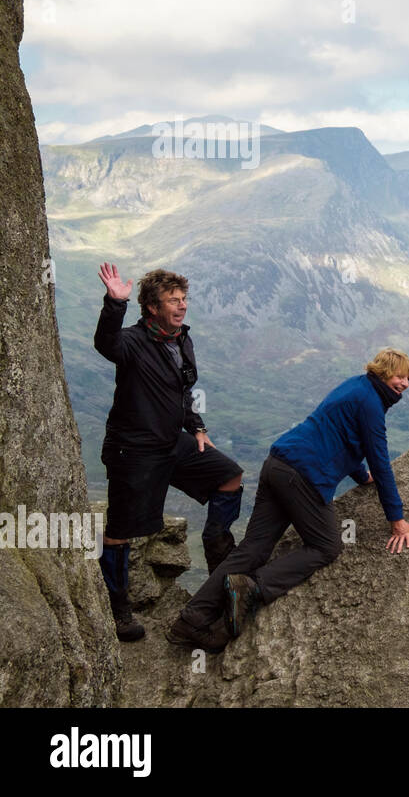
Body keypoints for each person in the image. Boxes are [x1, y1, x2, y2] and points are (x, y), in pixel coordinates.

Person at [166, 348, 409, 652]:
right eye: (399, 376)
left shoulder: (357, 386)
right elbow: (380, 460)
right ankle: (252, 587)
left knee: (254, 548)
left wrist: (360, 475)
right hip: (302, 477)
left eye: (408, 378)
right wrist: (397, 520)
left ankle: (191, 619)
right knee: (327, 546)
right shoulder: (371, 403)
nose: (405, 383)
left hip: (277, 464)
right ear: (382, 372)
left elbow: (341, 435)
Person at [94, 263, 245, 642]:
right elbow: (105, 343)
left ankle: (221, 574)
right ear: (152, 308)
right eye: (172, 301)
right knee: (120, 530)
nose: (181, 306)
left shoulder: (181, 339)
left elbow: (181, 393)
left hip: (170, 441)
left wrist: (196, 426)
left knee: (229, 476)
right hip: (135, 449)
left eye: (183, 299)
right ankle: (118, 608)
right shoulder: (132, 341)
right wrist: (115, 303)